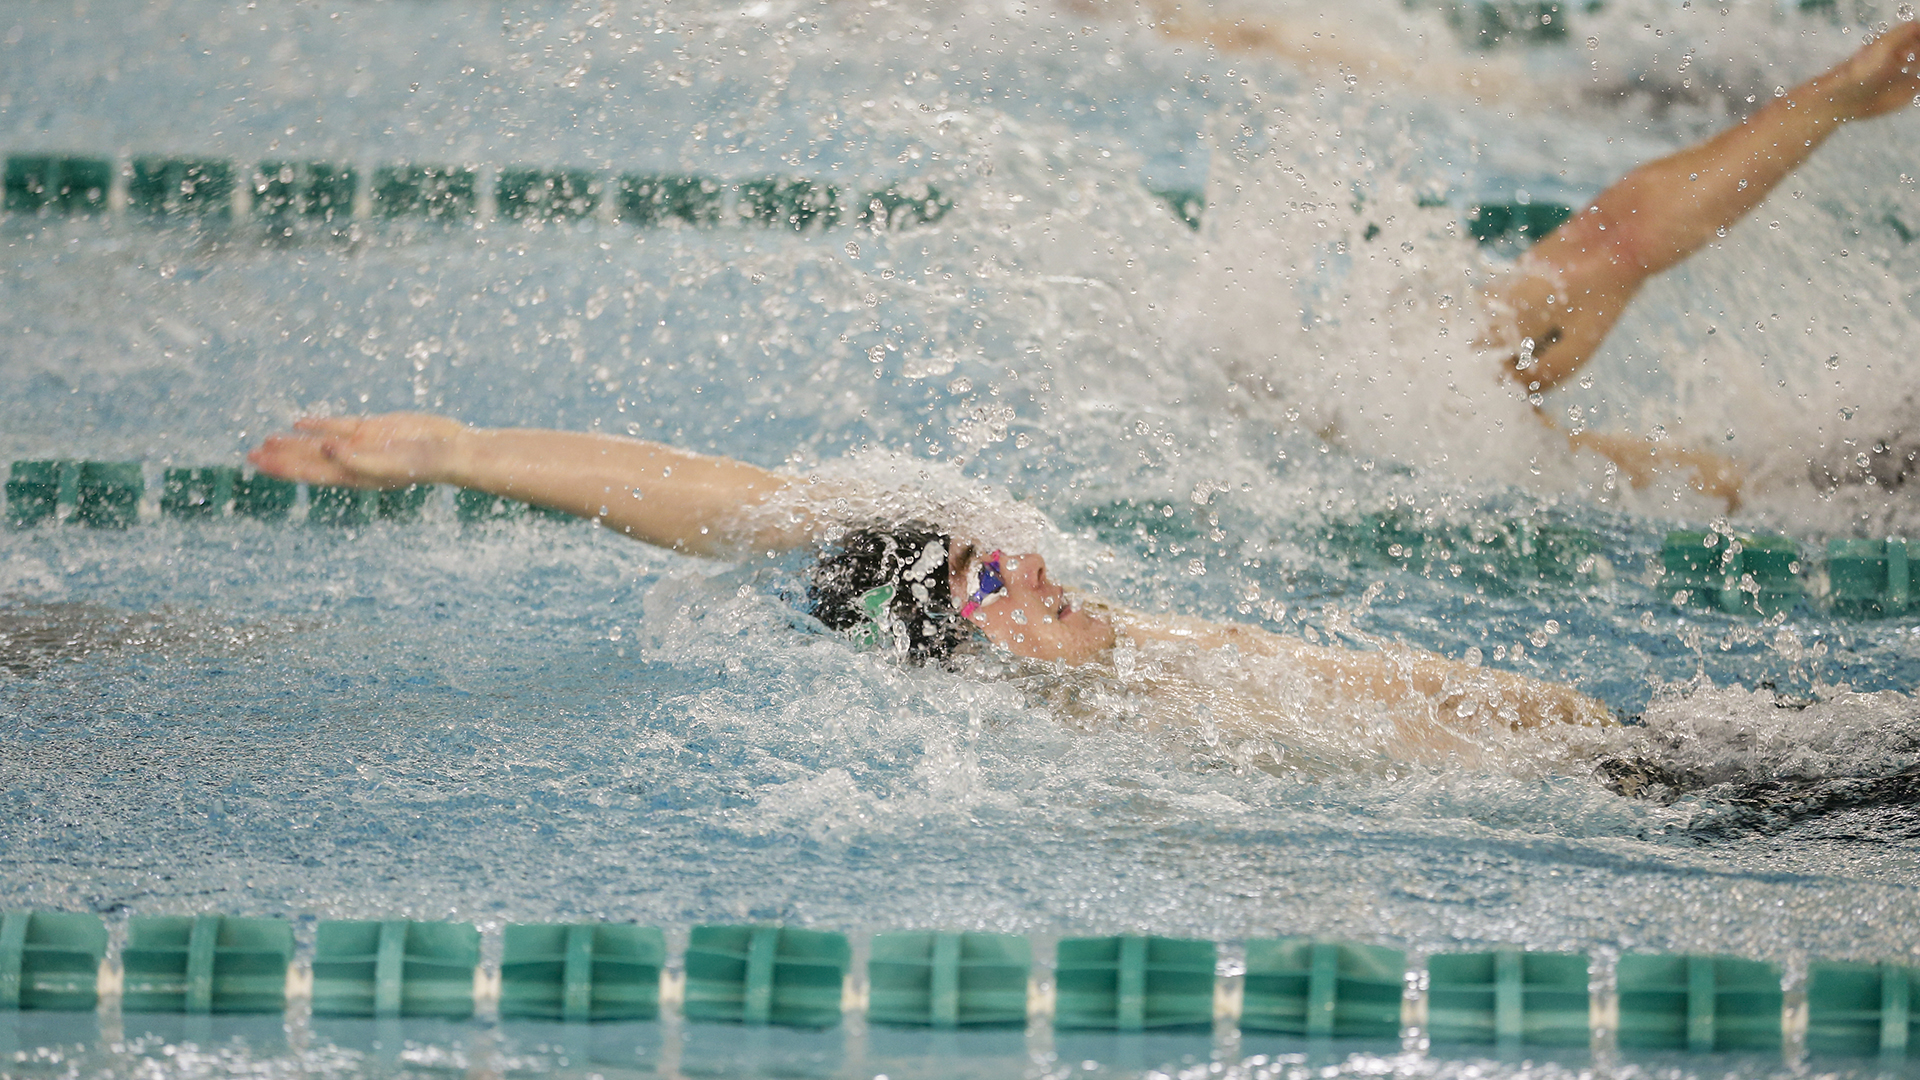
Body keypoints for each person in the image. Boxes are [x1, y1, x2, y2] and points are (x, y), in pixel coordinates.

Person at [249, 413, 1613, 767]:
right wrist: (462, 464)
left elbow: (763, 502)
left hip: (1639, 751)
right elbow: (752, 527)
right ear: (947, 651)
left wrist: (467, 450)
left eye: (1015, 557)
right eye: (994, 579)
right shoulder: (1102, 733)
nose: (1047, 578)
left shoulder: (1130, 655)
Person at [1481, 23, 1920, 508]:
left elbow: (1617, 243)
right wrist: (1834, 96)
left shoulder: (1429, 385)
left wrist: (1836, 96)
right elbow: (1617, 242)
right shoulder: (1438, 379)